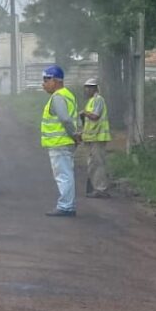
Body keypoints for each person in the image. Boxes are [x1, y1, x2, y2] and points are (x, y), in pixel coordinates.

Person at [39, 64, 79, 217]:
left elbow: (65, 119)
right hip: (64, 142)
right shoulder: (68, 94)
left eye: (46, 80)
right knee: (66, 174)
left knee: (63, 176)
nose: (43, 84)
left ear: (55, 81)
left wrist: (74, 134)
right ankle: (68, 204)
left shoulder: (57, 97)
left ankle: (66, 206)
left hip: (60, 143)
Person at [80, 78, 112, 197]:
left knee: (98, 164)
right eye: (86, 87)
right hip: (92, 138)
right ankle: (96, 187)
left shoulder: (98, 100)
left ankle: (101, 189)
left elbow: (95, 116)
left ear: (95, 88)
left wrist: (84, 113)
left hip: (98, 137)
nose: (87, 90)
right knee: (93, 164)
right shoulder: (91, 101)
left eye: (89, 87)